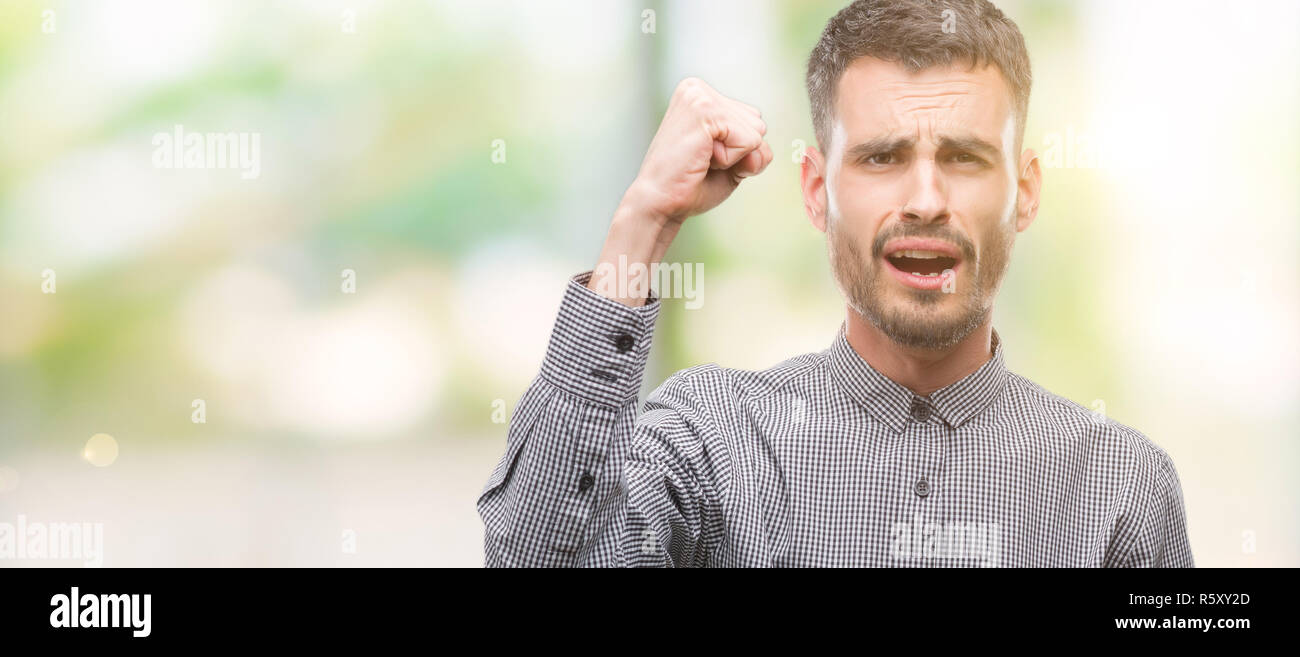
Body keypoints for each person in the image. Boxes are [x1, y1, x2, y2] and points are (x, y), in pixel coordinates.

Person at [476, 0, 1194, 567]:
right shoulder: (710, 441)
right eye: (882, 157)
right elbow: (536, 557)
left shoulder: (1123, 488)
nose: (924, 200)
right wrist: (643, 223)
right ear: (817, 191)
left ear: (1026, 191)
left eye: (966, 157)